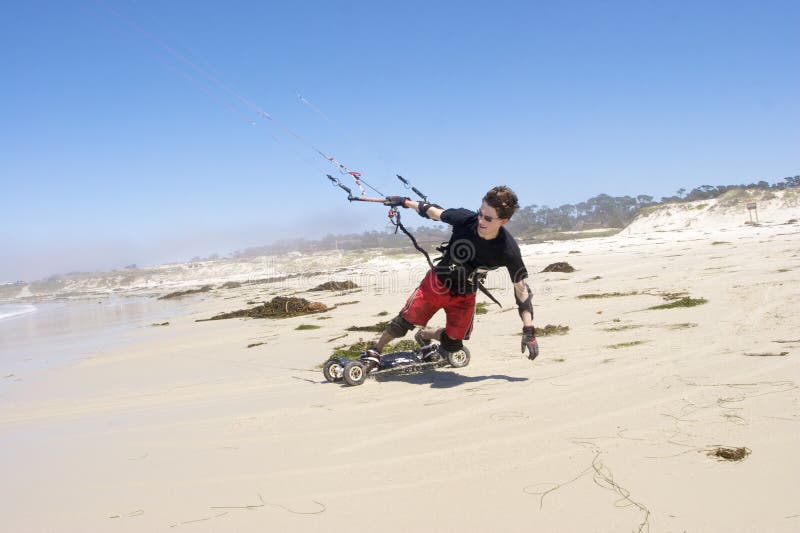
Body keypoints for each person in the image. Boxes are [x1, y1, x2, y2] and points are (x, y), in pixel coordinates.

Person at [359, 185, 539, 371]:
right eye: (480, 213)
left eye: (488, 218)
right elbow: (432, 211)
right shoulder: (465, 219)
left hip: (465, 295)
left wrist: (529, 330)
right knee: (403, 323)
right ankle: (375, 350)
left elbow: (522, 291)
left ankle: (425, 335)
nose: (480, 220)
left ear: (503, 220)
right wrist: (405, 202)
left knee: (453, 344)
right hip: (437, 284)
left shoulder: (508, 250)